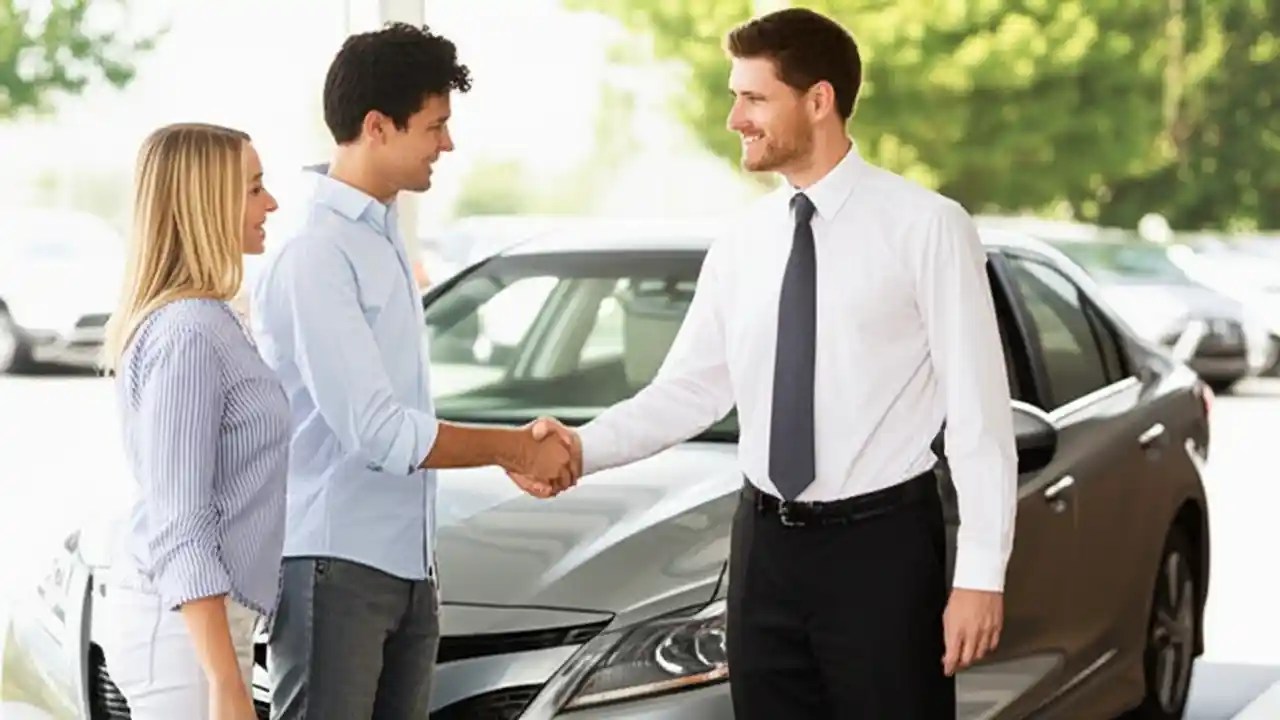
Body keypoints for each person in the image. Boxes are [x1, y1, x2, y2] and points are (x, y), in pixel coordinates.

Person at [517, 8, 1018, 718]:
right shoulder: (741, 245)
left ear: (819, 101)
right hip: (764, 554)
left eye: (753, 98)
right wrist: (580, 446)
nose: (734, 119)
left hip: (881, 553)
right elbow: (688, 391)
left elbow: (978, 415)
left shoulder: (928, 227)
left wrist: (980, 577)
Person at [249, 23, 575, 720]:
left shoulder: (382, 236)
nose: (447, 144)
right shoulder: (319, 254)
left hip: (406, 568)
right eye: (435, 126)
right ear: (377, 126)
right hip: (334, 568)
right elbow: (380, 433)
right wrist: (513, 446)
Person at [98, 122, 284, 720]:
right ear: (208, 203)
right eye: (254, 189)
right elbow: (180, 523)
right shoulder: (190, 333)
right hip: (182, 636)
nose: (271, 203)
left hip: (200, 627)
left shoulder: (210, 322)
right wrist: (226, 686)